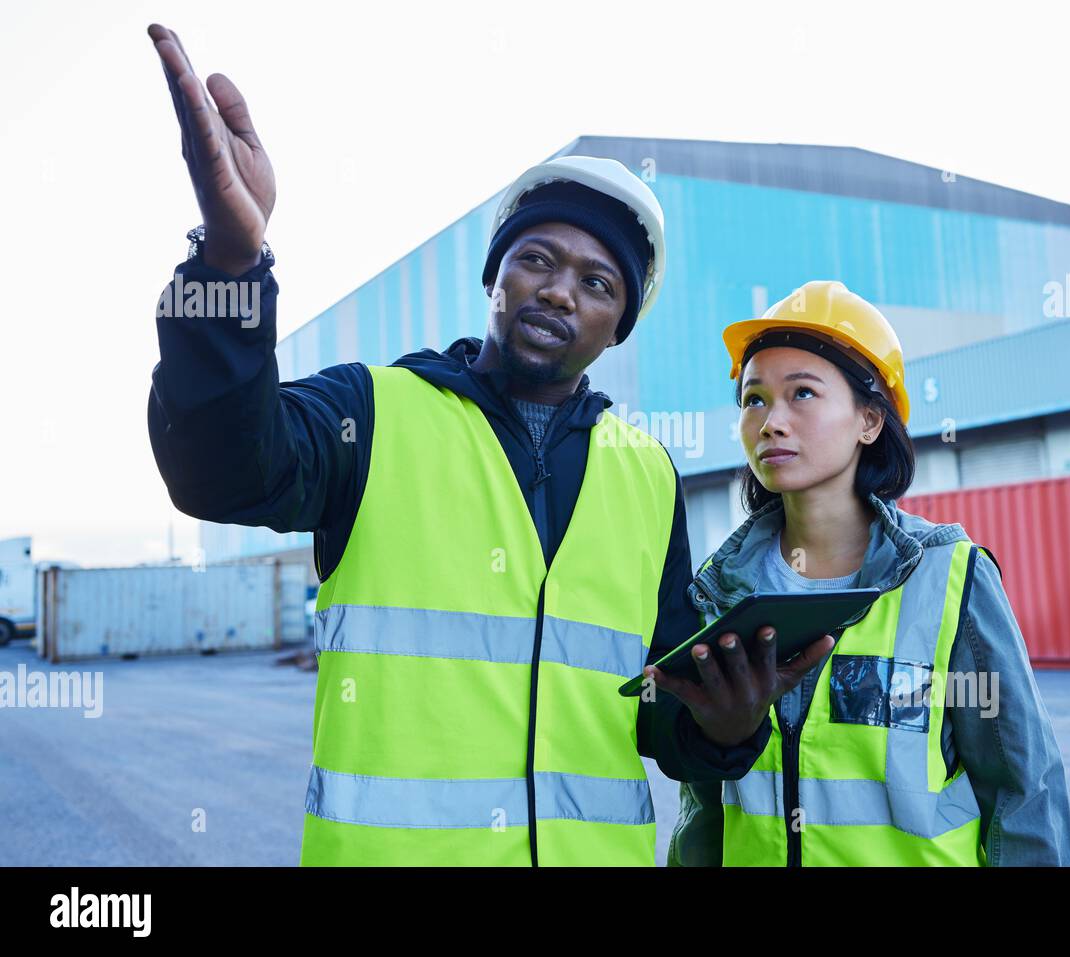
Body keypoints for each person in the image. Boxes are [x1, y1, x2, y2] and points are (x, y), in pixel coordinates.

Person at [144, 23, 832, 866]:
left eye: (596, 281)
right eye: (536, 257)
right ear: (493, 278)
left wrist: (725, 731)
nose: (558, 289)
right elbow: (217, 468)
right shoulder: (373, 413)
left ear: (618, 327)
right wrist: (229, 264)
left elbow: (660, 709)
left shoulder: (647, 475)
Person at [651, 280, 1070, 866]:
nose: (771, 421)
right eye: (753, 399)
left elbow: (1023, 792)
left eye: (802, 393)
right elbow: (702, 809)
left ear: (869, 421)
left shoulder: (949, 578)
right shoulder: (718, 593)